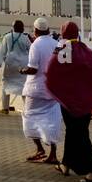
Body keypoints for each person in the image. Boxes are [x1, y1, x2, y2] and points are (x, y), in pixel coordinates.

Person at [46, 22, 92, 182]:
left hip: (69, 101)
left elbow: (51, 69)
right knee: (75, 131)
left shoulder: (61, 49)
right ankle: (66, 164)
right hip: (84, 100)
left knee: (79, 135)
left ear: (63, 34)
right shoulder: (85, 50)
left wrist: (56, 88)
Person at [19, 17, 62, 164]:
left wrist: (23, 70)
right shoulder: (56, 44)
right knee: (51, 121)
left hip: (36, 90)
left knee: (29, 118)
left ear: (35, 30)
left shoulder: (35, 45)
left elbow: (33, 69)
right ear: (48, 30)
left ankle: (39, 149)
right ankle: (53, 154)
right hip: (52, 90)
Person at [0, 20, 31, 114]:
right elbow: (31, 51)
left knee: (6, 85)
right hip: (22, 64)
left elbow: (2, 52)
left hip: (10, 64)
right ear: (22, 28)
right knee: (24, 86)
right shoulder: (25, 38)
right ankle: (27, 109)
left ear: (13, 27)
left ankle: (5, 108)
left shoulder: (7, 37)